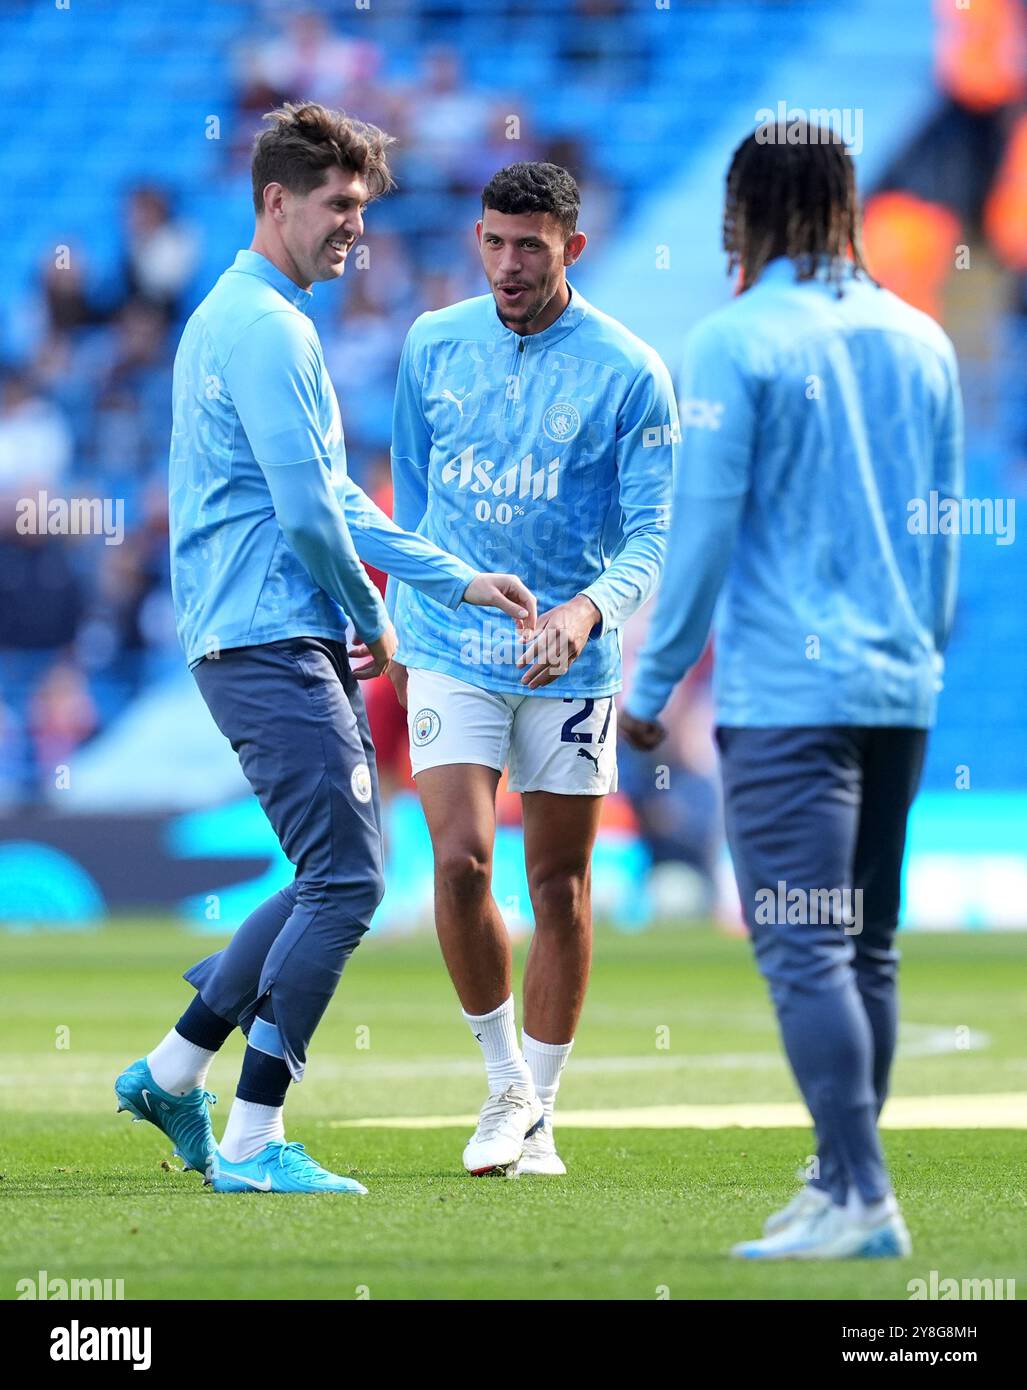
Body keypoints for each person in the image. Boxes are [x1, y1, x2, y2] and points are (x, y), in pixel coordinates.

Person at [114, 102, 535, 1196]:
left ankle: (172, 1072)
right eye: (339, 205)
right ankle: (252, 1140)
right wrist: (374, 618)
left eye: (363, 208)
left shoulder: (241, 317)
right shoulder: (269, 330)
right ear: (277, 200)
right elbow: (308, 517)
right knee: (349, 881)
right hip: (270, 633)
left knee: (325, 873)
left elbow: (335, 497)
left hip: (255, 630)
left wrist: (448, 574)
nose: (356, 227)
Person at [621, 122, 963, 1258]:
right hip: (897, 689)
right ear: (844, 206)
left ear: (744, 213)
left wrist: (654, 680)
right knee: (865, 948)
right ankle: (837, 1185)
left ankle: (859, 1195)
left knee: (804, 948)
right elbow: (942, 533)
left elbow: (703, 530)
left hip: (786, 695)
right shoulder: (921, 337)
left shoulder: (733, 340)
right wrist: (920, 654)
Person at [386, 161, 677, 1177]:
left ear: (573, 249)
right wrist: (399, 615)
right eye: (495, 243)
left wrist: (586, 611)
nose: (508, 265)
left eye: (531, 248)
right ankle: (505, 1081)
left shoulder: (629, 370)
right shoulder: (431, 343)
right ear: (478, 238)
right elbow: (414, 496)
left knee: (558, 885)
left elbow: (650, 536)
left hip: (571, 663)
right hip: (449, 645)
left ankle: (539, 1110)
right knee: (461, 861)